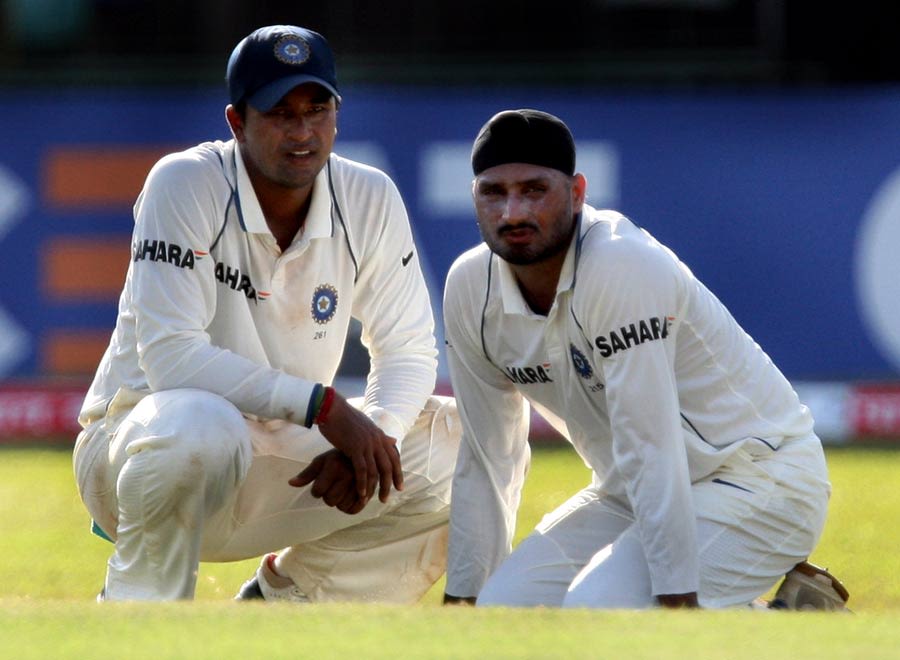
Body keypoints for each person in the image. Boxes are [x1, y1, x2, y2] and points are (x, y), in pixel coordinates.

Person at [72, 25, 459, 602]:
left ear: (337, 112)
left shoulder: (369, 196)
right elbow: (172, 359)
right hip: (138, 451)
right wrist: (324, 407)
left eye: (317, 108)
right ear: (236, 122)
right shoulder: (185, 182)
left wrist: (374, 439)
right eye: (279, 112)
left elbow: (407, 349)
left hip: (282, 461)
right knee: (198, 424)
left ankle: (284, 609)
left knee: (461, 442)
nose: (302, 132)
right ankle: (139, 614)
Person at [441, 108, 849, 610]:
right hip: (626, 492)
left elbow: (651, 445)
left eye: (533, 190)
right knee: (502, 614)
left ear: (577, 192)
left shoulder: (620, 264)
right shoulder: (467, 287)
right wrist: (462, 603)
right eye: (494, 192)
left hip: (759, 479)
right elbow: (487, 458)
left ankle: (808, 634)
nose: (513, 214)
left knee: (604, 612)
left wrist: (672, 606)